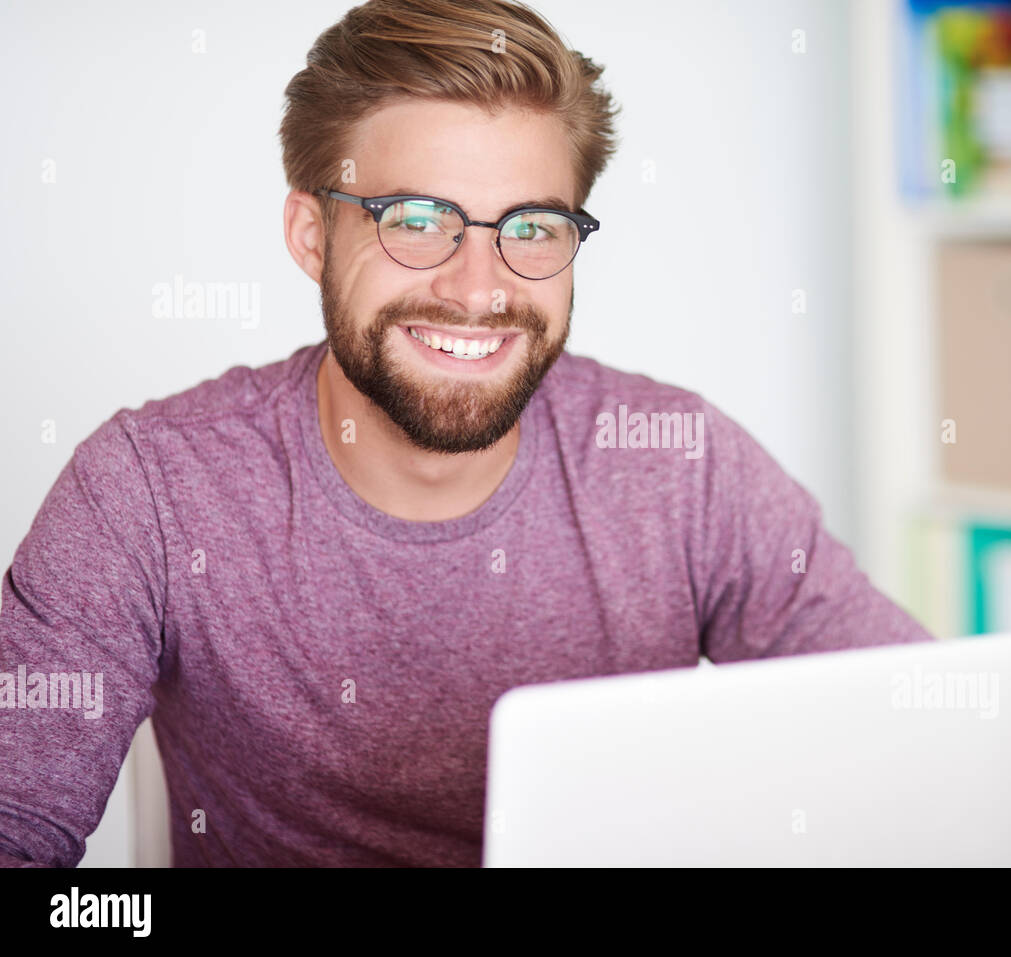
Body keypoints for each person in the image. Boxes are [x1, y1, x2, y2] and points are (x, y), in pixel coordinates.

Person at [0, 0, 932, 868]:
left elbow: (919, 740)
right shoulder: (148, 489)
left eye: (531, 227)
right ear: (311, 235)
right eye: (416, 220)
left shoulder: (677, 463)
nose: (479, 289)